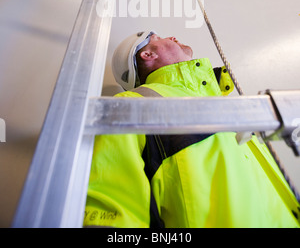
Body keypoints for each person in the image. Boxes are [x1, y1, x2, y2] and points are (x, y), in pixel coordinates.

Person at [83, 31, 300, 228]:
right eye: (158, 37)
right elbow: (116, 210)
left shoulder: (218, 100)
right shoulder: (132, 104)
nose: (172, 37)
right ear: (147, 55)